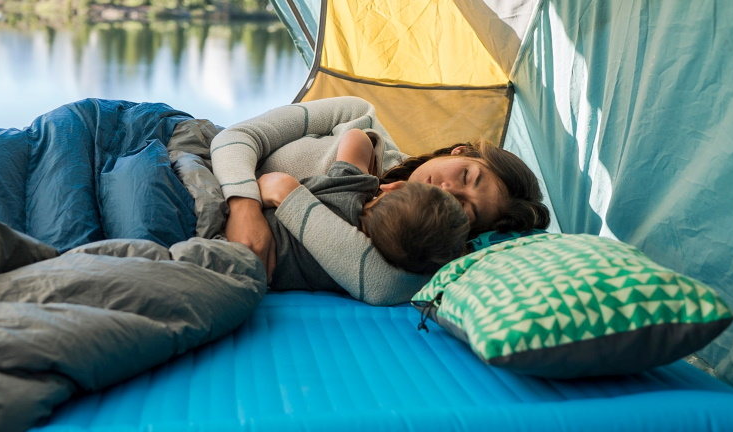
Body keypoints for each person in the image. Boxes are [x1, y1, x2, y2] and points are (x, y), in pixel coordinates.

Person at [210, 97, 549, 305]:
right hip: (194, 159)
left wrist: (288, 194)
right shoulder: (357, 115)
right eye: (465, 176)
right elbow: (237, 136)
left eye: (464, 207)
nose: (446, 190)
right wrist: (244, 205)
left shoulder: (405, 242)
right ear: (461, 152)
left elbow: (382, 286)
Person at [254, 128, 469, 295]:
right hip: (249, 268)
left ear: (394, 186)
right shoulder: (355, 274)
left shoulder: (347, 190)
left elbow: (357, 137)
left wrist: (367, 177)